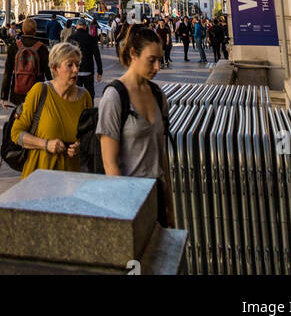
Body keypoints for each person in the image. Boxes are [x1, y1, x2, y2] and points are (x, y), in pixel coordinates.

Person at [97, 25, 175, 227]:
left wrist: (169, 206)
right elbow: (109, 163)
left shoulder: (158, 95)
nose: (157, 67)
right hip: (130, 199)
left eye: (159, 60)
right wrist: (125, 213)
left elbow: (161, 154)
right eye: (152, 60)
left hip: (157, 195)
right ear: (133, 54)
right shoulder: (115, 97)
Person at [10, 41, 92, 178]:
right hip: (39, 177)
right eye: (69, 65)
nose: (76, 70)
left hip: (71, 179)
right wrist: (45, 144)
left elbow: (89, 136)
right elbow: (16, 134)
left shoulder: (85, 97)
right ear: (55, 68)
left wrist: (80, 146)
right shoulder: (40, 91)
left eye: (77, 65)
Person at [1, 17, 49, 107]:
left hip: (18, 92)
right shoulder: (42, 48)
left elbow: (8, 72)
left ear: (22, 30)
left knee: (19, 114)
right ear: (35, 30)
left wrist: (4, 96)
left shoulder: (14, 46)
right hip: (37, 91)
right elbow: (48, 72)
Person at [72, 16, 103, 104]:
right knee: (90, 94)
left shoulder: (71, 38)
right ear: (85, 27)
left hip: (75, 71)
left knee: (75, 95)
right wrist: (100, 72)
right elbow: (97, 56)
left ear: (77, 26)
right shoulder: (91, 39)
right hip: (88, 71)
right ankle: (90, 109)